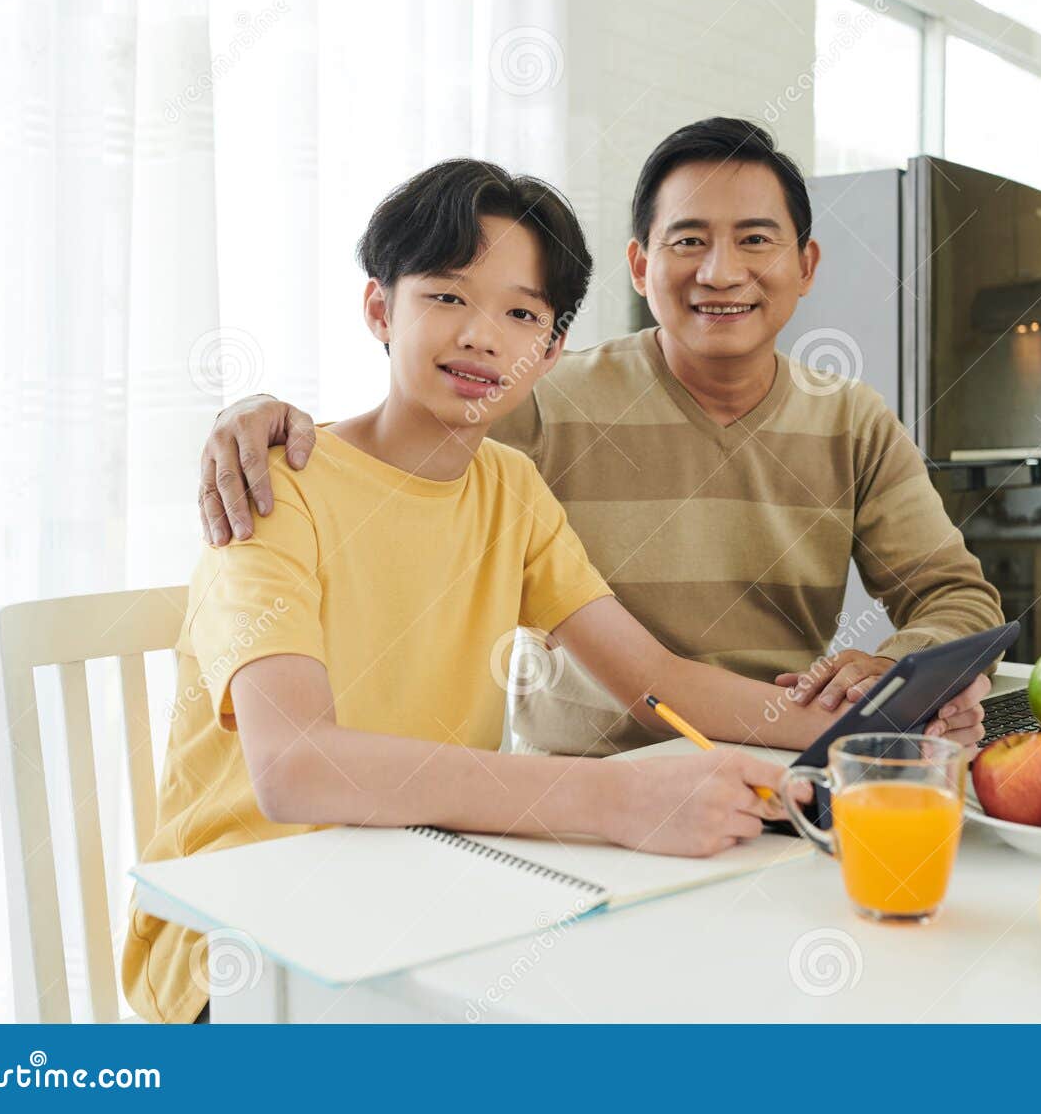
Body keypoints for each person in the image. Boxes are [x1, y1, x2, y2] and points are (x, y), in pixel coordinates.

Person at [123, 159, 837, 1024]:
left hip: (428, 899)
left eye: (522, 313)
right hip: (243, 953)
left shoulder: (511, 488)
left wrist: (866, 727)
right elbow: (294, 767)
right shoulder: (280, 486)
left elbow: (657, 680)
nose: (483, 336)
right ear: (380, 308)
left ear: (551, 349)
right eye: (448, 297)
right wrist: (609, 800)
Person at [196, 117, 1003, 761]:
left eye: (755, 239)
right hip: (570, 790)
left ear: (806, 264)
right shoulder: (545, 398)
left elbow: (955, 596)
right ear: (641, 264)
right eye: (688, 240)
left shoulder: (853, 421)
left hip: (774, 760)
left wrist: (895, 694)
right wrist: (262, 413)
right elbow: (406, 431)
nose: (721, 272)